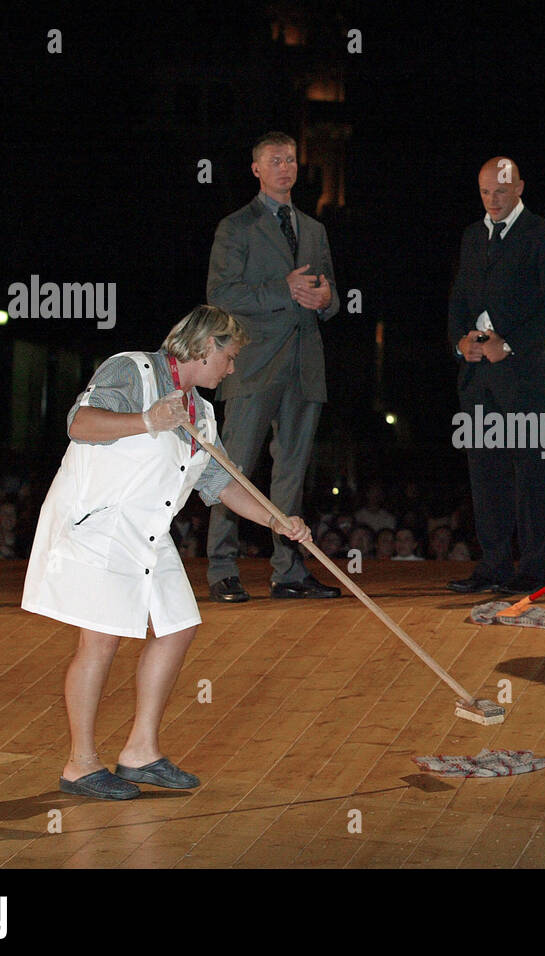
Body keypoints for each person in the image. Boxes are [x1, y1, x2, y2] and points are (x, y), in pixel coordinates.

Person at [22, 305, 312, 800]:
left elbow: (219, 483)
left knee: (179, 626)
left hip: (150, 530)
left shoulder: (200, 410)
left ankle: (140, 752)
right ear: (205, 347)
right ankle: (80, 765)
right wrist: (146, 419)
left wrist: (275, 521)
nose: (233, 368)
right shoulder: (131, 369)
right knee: (102, 640)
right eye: (232, 355)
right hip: (101, 524)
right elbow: (80, 423)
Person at [205, 131, 341, 603]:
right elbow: (221, 296)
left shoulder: (314, 229)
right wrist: (281, 290)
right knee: (233, 469)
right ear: (257, 169)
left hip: (304, 365)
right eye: (275, 160)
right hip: (253, 364)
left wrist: (326, 299)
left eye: (291, 159)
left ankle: (288, 570)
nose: (286, 167)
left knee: (292, 472)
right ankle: (223, 569)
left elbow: (330, 296)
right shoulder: (236, 226)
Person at [446, 156, 545, 595]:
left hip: (525, 376)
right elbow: (459, 296)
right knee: (485, 472)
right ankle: (493, 565)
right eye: (485, 191)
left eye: (501, 191)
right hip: (477, 375)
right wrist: (459, 341)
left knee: (531, 475)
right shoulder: (471, 235)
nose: (493, 199)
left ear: (520, 187)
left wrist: (510, 343)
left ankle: (532, 569)